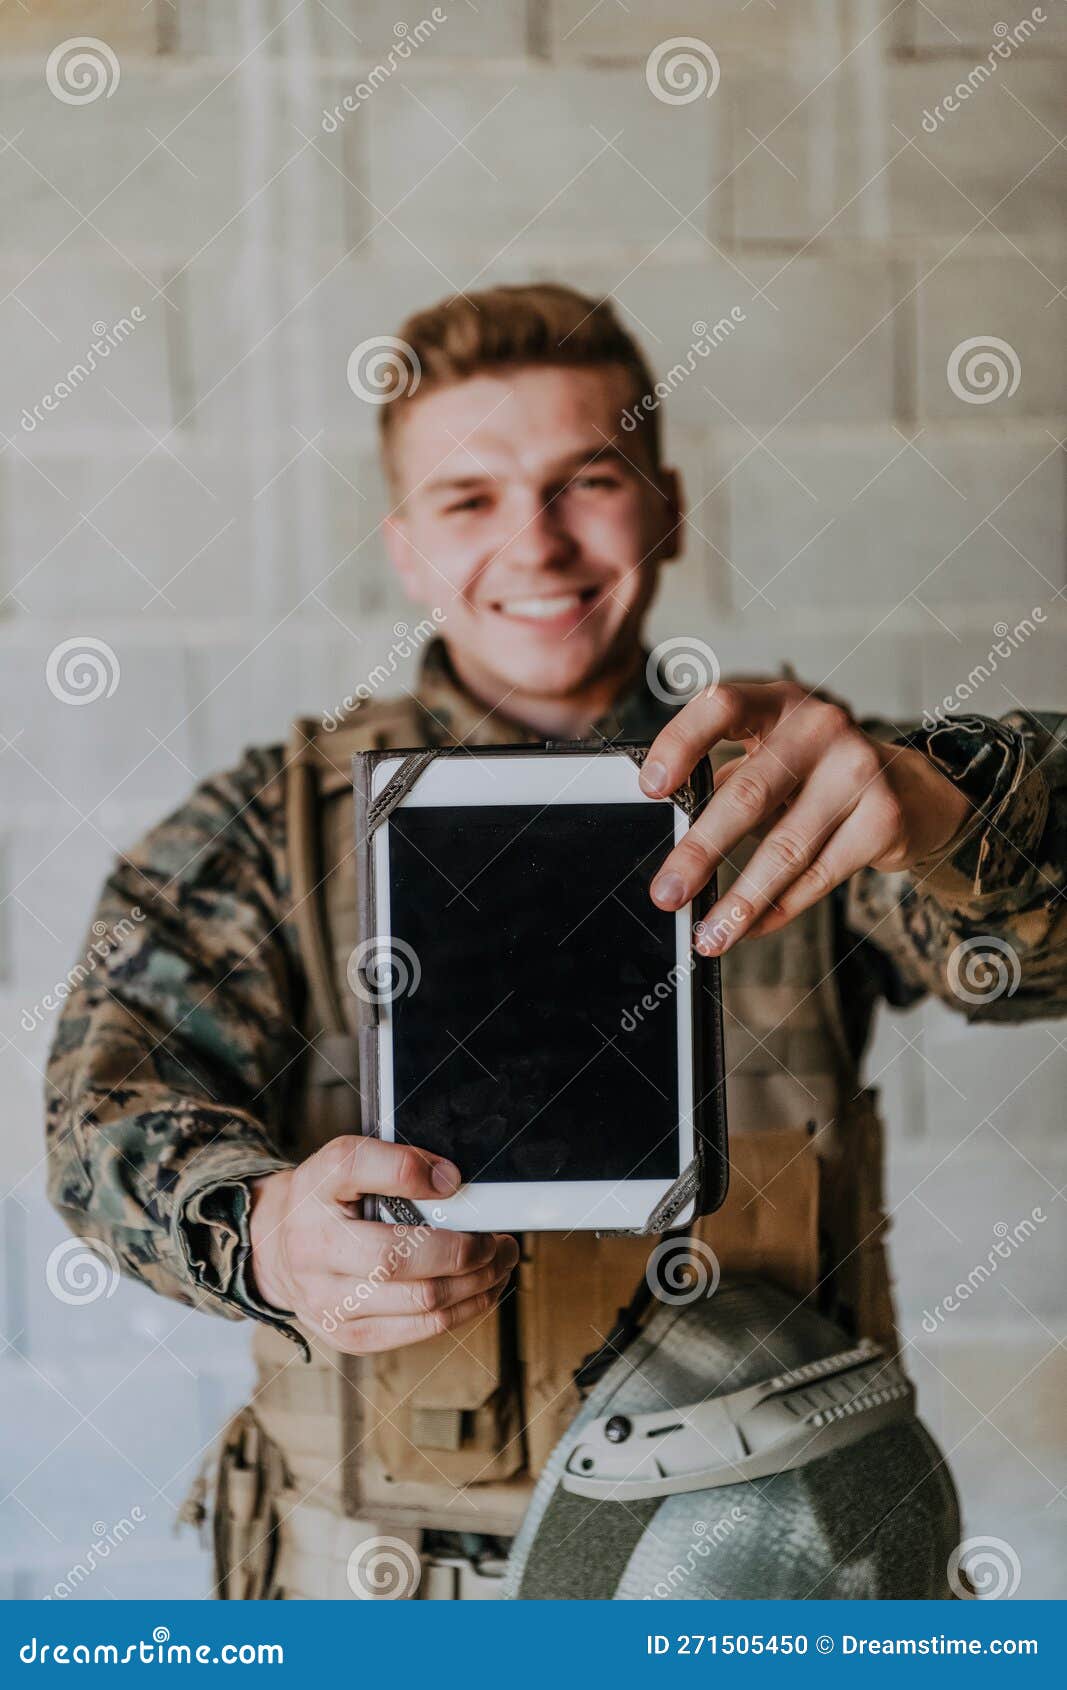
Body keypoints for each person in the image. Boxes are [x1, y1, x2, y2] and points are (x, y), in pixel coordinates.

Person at [45, 283, 1067, 1601]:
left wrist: (947, 798)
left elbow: (1024, 949)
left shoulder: (804, 792)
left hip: (759, 1600)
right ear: (406, 546)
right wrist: (265, 1227)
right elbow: (103, 1114)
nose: (537, 542)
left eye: (586, 480)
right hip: (391, 1609)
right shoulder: (268, 831)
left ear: (669, 505)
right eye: (469, 498)